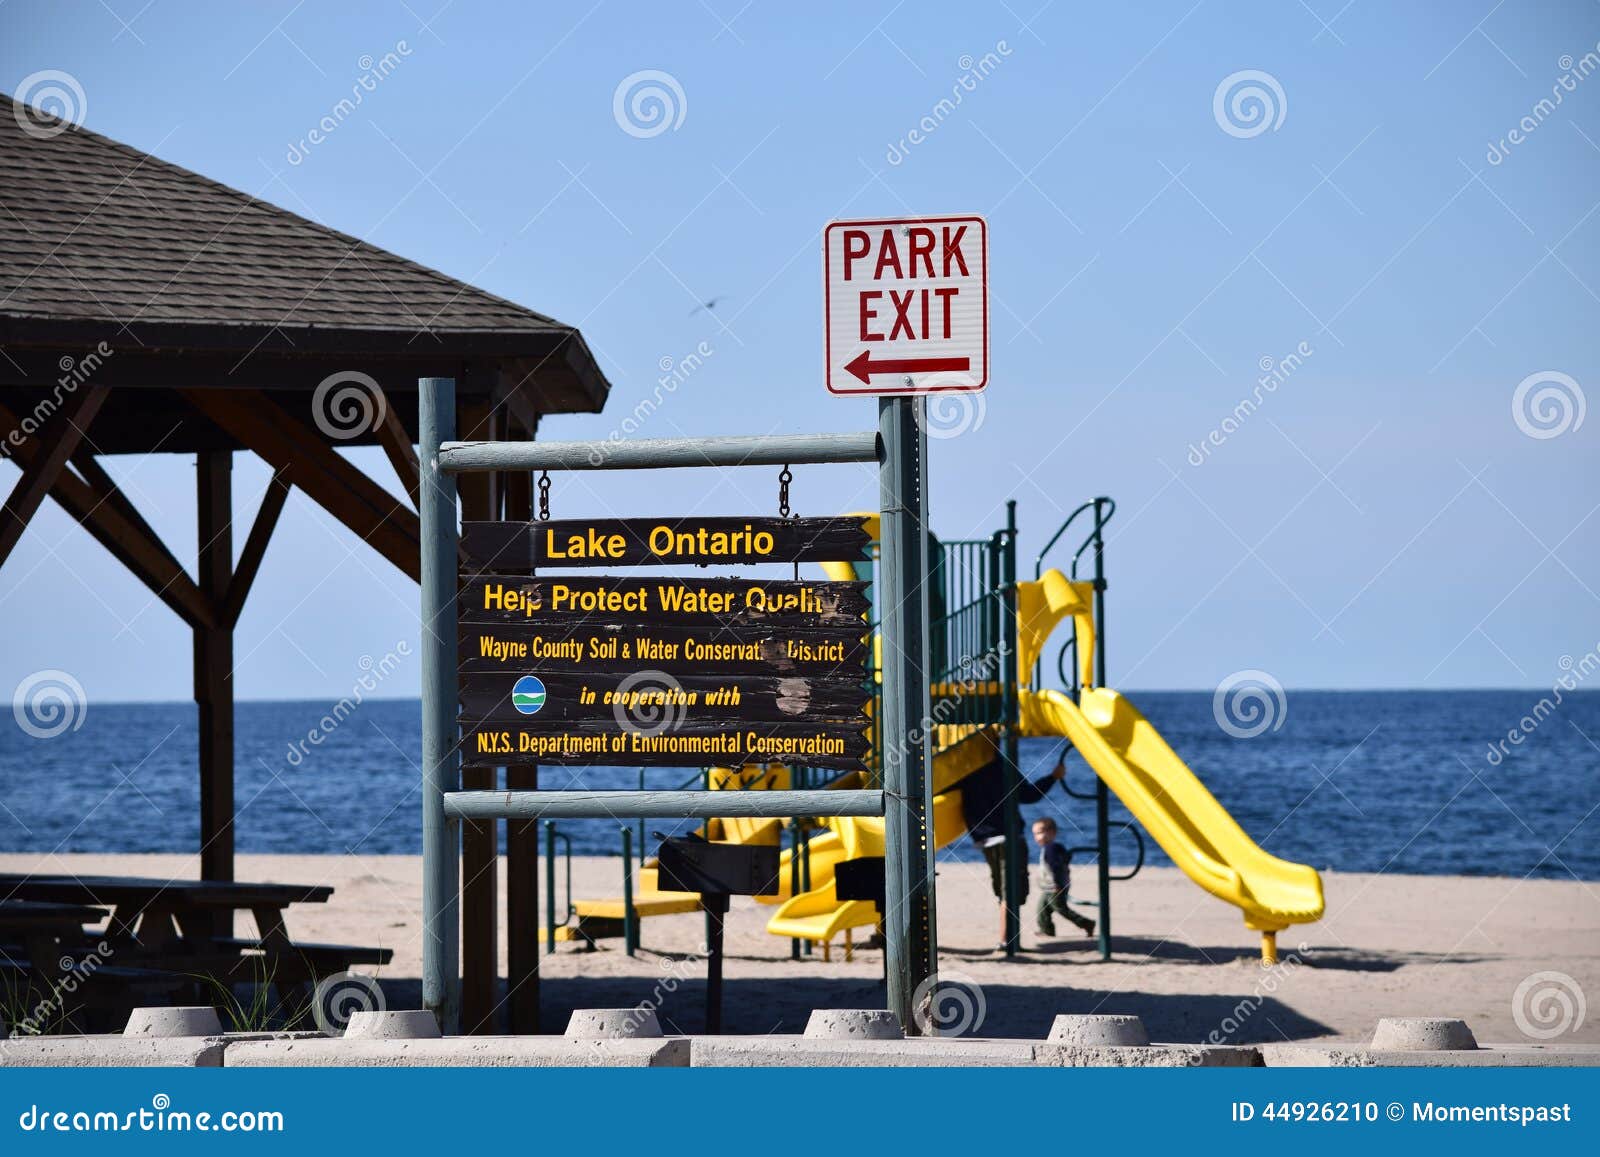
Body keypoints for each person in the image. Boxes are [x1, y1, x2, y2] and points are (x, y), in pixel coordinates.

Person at [958, 755, 1065, 951]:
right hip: (1008, 836)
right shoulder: (1002, 766)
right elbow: (1029, 795)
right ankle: (1007, 941)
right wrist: (1054, 776)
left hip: (984, 838)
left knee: (1004, 891)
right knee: (1011, 891)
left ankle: (1008, 939)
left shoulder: (965, 766)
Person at [1032, 816, 1096, 939]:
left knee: (1061, 908)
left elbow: (1056, 867)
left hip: (1056, 886)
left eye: (1040, 833)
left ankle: (1086, 923)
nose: (1037, 837)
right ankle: (1047, 930)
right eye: (1035, 834)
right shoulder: (1054, 848)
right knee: (1042, 909)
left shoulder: (1051, 849)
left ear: (1052, 833)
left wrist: (1058, 883)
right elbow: (1065, 859)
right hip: (1050, 887)